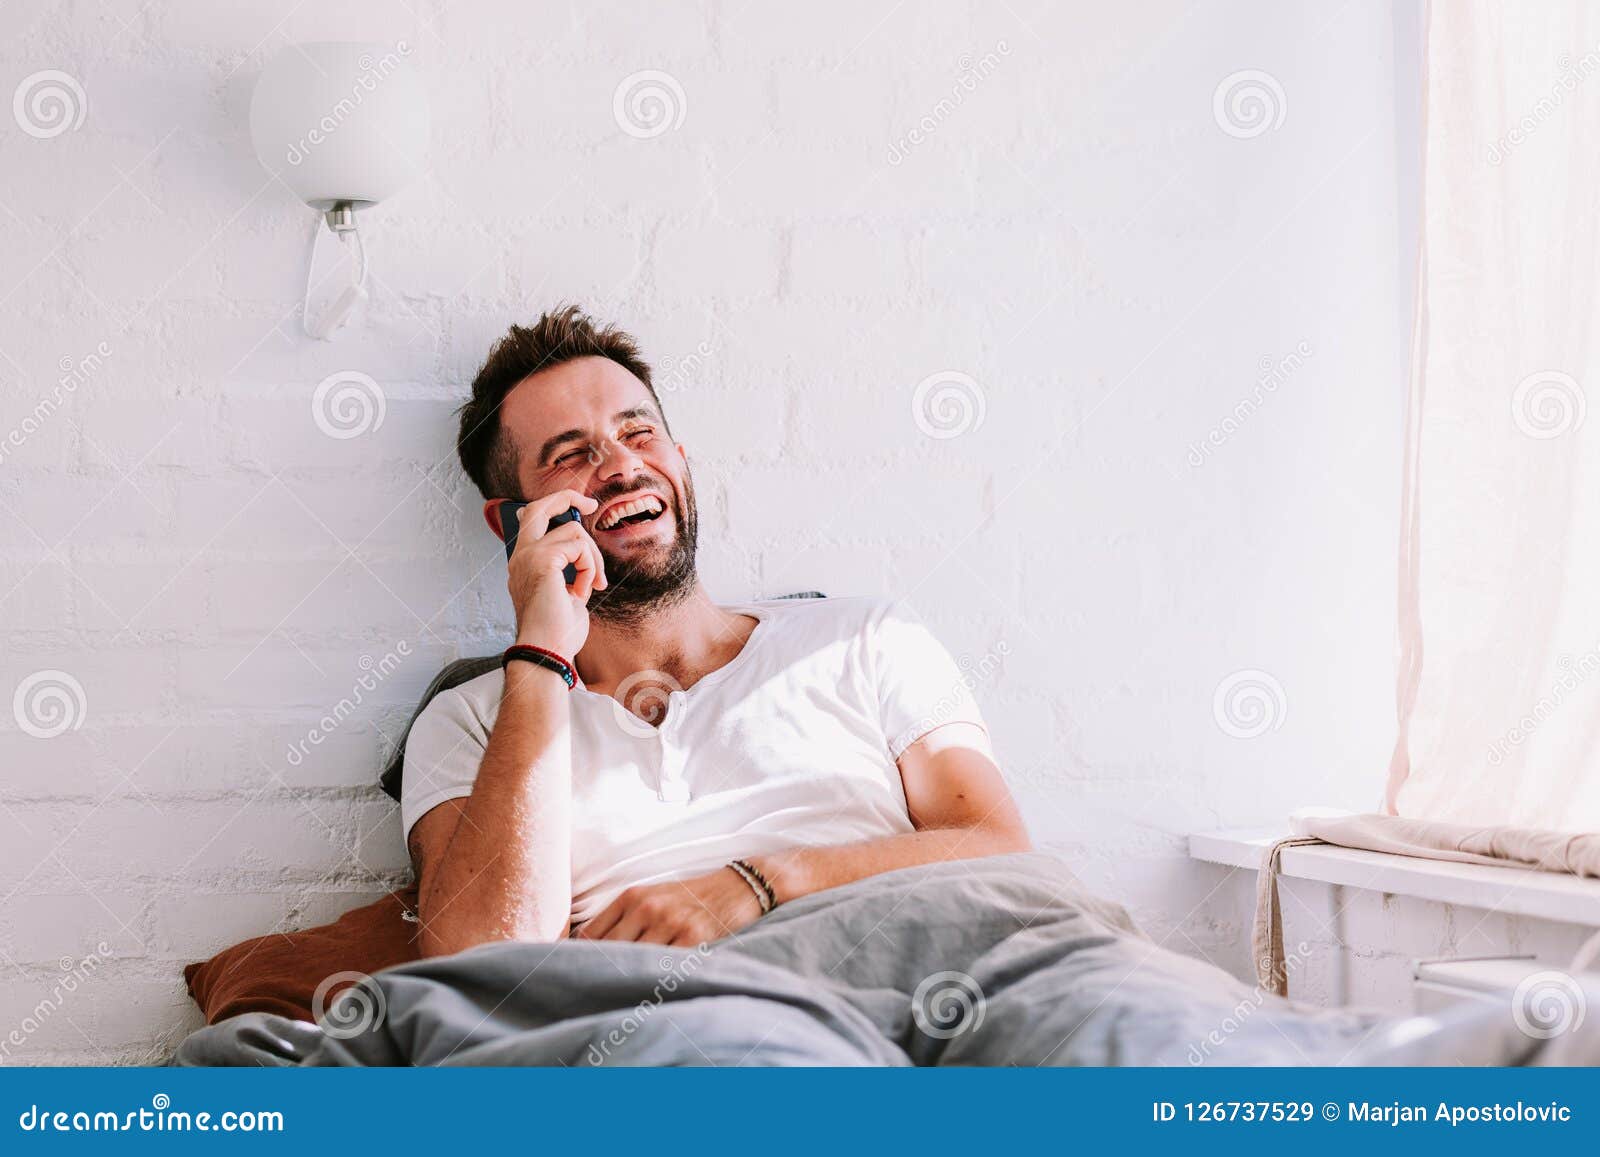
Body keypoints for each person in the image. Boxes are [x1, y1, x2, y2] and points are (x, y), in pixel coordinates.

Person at [402, 306, 1031, 957]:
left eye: (639, 432)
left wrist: (761, 882)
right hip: (705, 1024)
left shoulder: (867, 638)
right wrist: (539, 651)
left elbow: (1002, 854)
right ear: (514, 523)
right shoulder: (469, 723)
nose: (622, 465)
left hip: (945, 964)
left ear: (681, 460)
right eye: (572, 454)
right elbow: (477, 967)